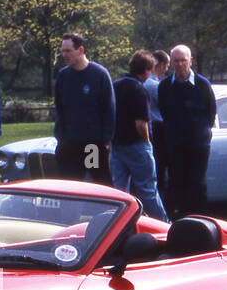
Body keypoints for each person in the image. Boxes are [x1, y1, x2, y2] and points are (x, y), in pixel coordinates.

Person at [158, 44, 216, 218]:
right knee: (177, 182)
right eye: (176, 61)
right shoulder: (165, 86)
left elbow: (210, 113)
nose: (180, 64)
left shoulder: (202, 85)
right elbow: (164, 112)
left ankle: (199, 219)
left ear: (190, 61)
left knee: (197, 183)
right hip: (176, 143)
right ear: (171, 63)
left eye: (183, 60)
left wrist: (200, 132)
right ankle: (180, 220)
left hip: (198, 143)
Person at [110, 50, 167, 221]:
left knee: (119, 192)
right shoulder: (139, 90)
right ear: (146, 71)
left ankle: (119, 226)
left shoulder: (115, 86)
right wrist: (147, 142)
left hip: (117, 146)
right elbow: (140, 124)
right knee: (148, 190)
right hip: (136, 145)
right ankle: (164, 224)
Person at [53, 32, 115, 184]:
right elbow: (59, 107)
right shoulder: (63, 76)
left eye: (68, 51)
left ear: (80, 50)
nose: (64, 55)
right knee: (70, 186)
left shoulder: (99, 74)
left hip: (92, 145)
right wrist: (60, 136)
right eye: (63, 51)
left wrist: (106, 139)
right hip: (69, 144)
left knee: (98, 183)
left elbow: (109, 109)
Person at [146, 50, 171, 198]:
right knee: (160, 170)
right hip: (158, 130)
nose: (166, 69)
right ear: (161, 65)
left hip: (147, 129)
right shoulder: (155, 85)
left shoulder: (142, 82)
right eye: (167, 65)